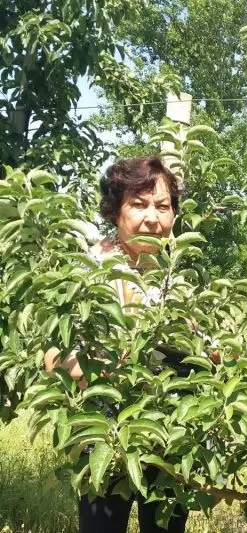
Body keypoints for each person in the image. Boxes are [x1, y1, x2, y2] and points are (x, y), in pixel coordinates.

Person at [45, 156, 189, 533]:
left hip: (169, 432)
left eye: (163, 206)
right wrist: (105, 381)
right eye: (139, 205)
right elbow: (54, 354)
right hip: (104, 431)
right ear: (115, 212)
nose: (152, 218)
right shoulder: (89, 269)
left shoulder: (176, 278)